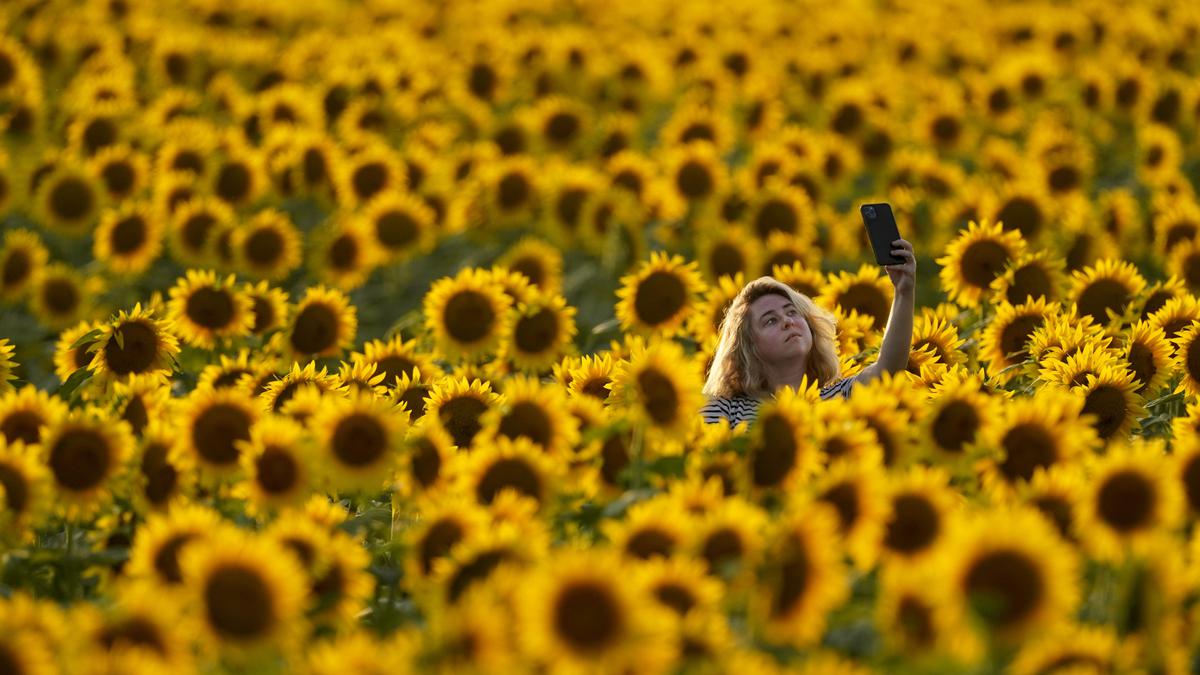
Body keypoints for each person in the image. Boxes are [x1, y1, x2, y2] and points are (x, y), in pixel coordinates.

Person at [700, 238, 917, 426]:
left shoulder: (840, 395)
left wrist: (903, 292)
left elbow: (889, 368)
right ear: (749, 346)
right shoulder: (726, 408)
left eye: (792, 313)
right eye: (770, 321)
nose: (787, 321)